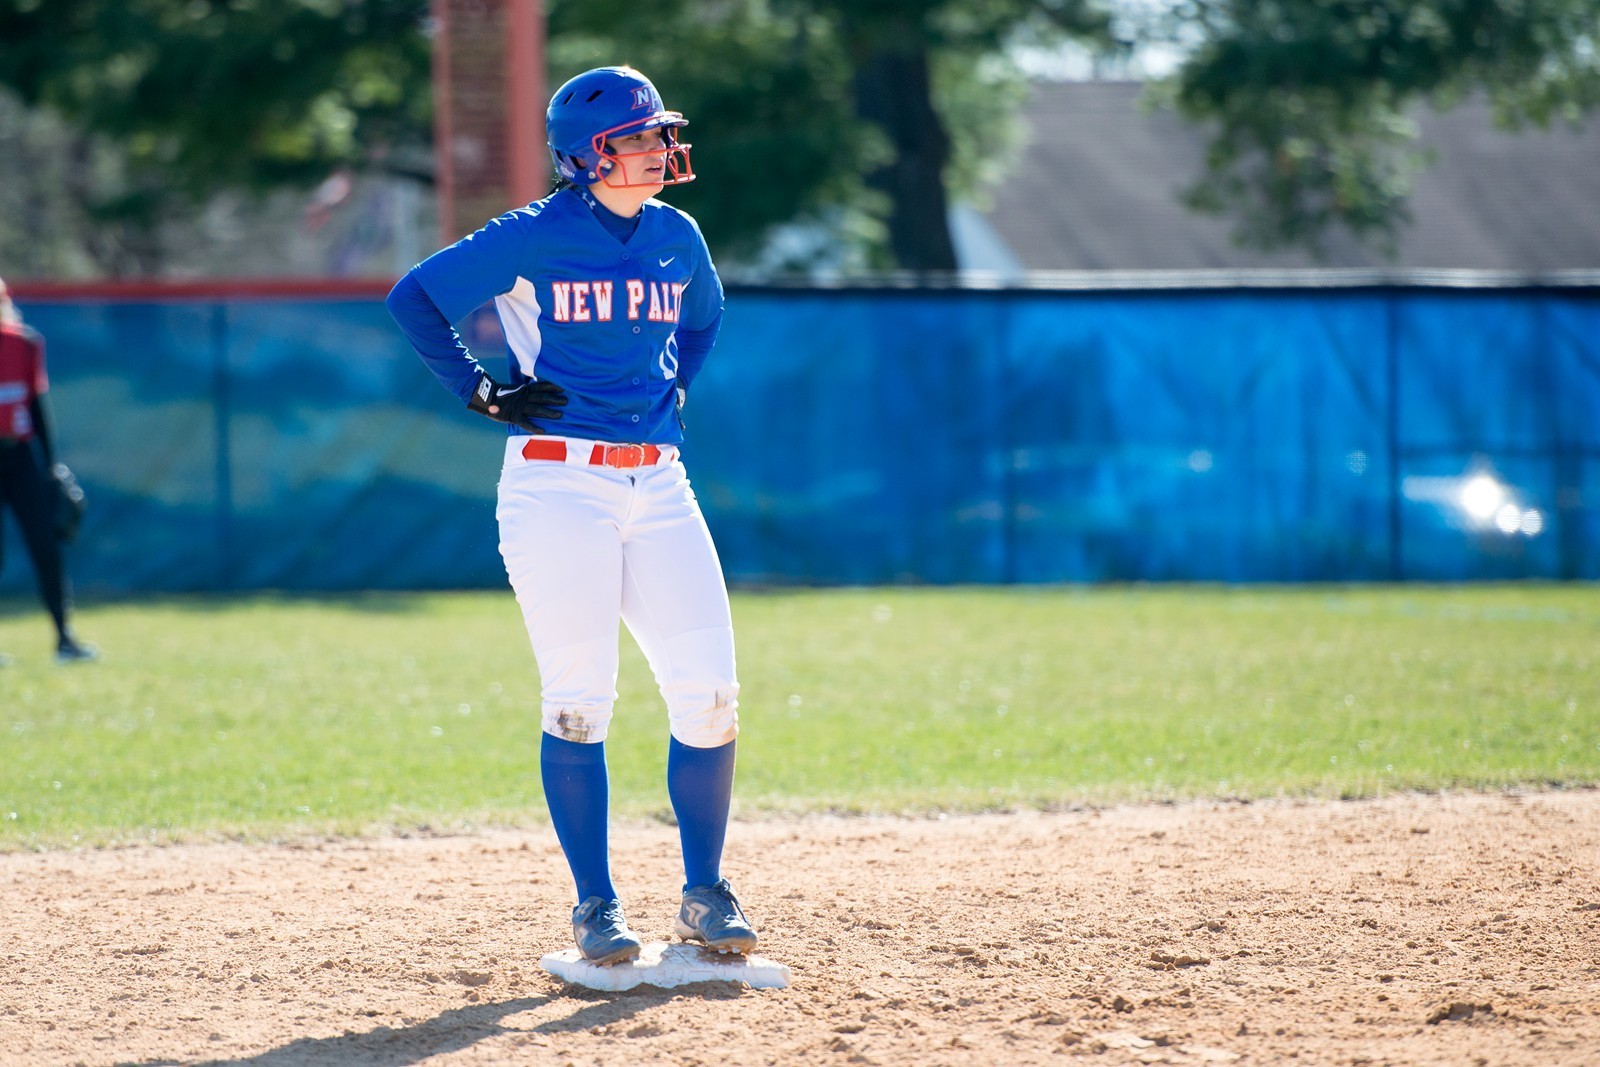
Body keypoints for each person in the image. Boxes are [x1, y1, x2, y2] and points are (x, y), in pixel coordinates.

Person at [386, 66, 756, 965]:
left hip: (660, 483)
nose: (661, 149)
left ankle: (704, 893)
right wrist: (484, 393)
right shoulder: (534, 234)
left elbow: (702, 323)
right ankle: (596, 904)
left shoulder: (678, 236)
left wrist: (674, 390)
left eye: (660, 133)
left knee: (709, 694)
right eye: (639, 137)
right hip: (558, 487)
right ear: (591, 155)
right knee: (582, 700)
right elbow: (415, 298)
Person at [0, 276, 96, 665]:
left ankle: (64, 638)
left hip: (19, 456)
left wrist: (51, 465)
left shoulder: (24, 343)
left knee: (46, 548)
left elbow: (38, 410)